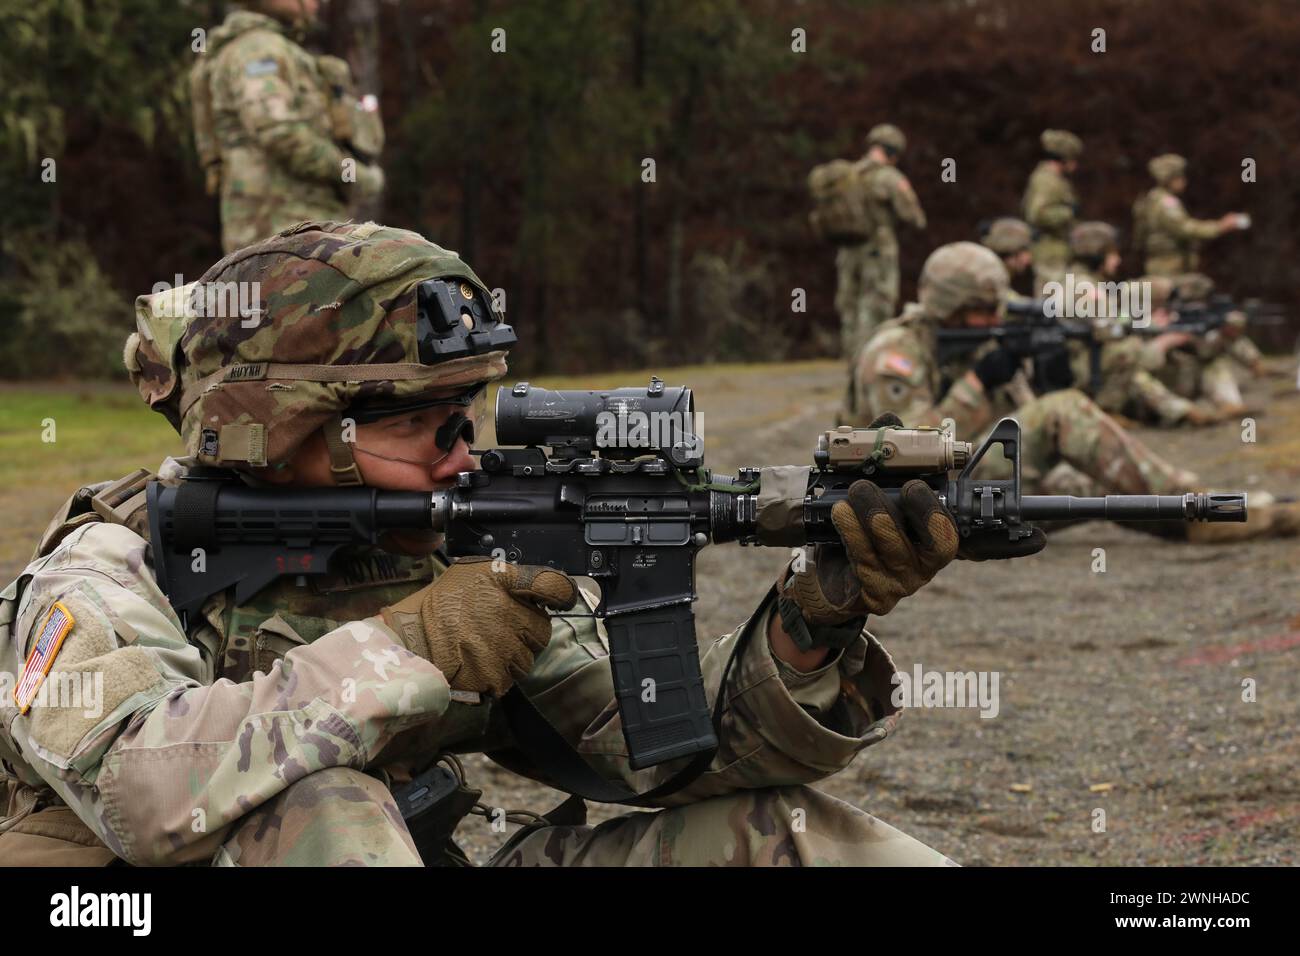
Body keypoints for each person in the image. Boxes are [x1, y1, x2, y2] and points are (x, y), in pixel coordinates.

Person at [0, 220, 968, 867]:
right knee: (329, 801)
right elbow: (143, 791)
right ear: (288, 423)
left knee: (792, 841)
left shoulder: (446, 546)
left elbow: (654, 753)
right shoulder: (114, 566)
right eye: (432, 424)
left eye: (470, 414)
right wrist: (407, 650)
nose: (465, 452)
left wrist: (812, 620)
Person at [845, 241, 1299, 542]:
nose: (994, 319)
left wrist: (1045, 375)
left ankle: (1231, 514)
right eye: (984, 310)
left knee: (1100, 486)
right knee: (1064, 412)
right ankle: (1196, 506)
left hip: (968, 494)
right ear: (950, 306)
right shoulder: (894, 353)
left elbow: (1028, 428)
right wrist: (979, 383)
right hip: (907, 510)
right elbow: (904, 456)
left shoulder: (974, 345)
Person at [190, 0, 385, 253]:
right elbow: (281, 134)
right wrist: (358, 175)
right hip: (283, 234)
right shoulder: (258, 50)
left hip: (297, 234)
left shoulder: (271, 48)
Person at [1063, 222, 1216, 426]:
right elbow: (1111, 329)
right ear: (1097, 256)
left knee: (1135, 358)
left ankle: (1179, 411)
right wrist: (1153, 329)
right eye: (1112, 254)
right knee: (1130, 350)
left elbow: (1113, 319)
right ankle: (1106, 410)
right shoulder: (1084, 287)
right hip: (1080, 362)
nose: (1117, 260)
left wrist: (1144, 321)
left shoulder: (1084, 281)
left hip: (1088, 356)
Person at [834, 123, 927, 359]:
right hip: (877, 253)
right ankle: (869, 363)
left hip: (846, 254)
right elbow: (914, 218)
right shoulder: (889, 178)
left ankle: (852, 363)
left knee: (849, 311)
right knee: (875, 310)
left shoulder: (847, 176)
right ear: (894, 152)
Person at [1132, 154, 1248, 277]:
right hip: (1169, 266)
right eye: (1179, 176)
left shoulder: (1150, 200)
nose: (1183, 180)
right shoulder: (1165, 203)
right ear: (1169, 179)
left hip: (1160, 264)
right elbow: (1185, 228)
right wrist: (1220, 226)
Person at [1021, 129, 1082, 294]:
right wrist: (1068, 213)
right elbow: (1037, 214)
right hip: (1048, 253)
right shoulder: (1046, 180)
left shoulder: (1056, 180)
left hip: (1057, 251)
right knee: (1050, 301)